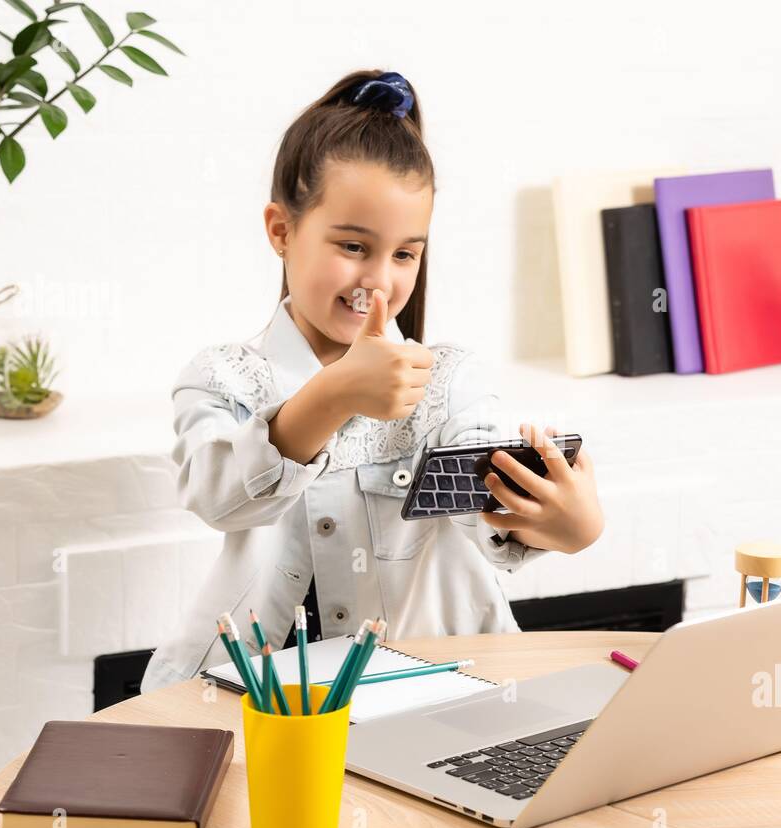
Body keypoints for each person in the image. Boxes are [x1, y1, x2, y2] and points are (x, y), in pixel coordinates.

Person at [140, 70, 604, 693]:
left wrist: (565, 524)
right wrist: (334, 393)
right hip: (258, 702)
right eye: (354, 246)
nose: (379, 280)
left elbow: (485, 516)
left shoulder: (449, 381)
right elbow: (219, 499)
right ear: (281, 231)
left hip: (429, 699)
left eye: (405, 254)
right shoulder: (220, 375)